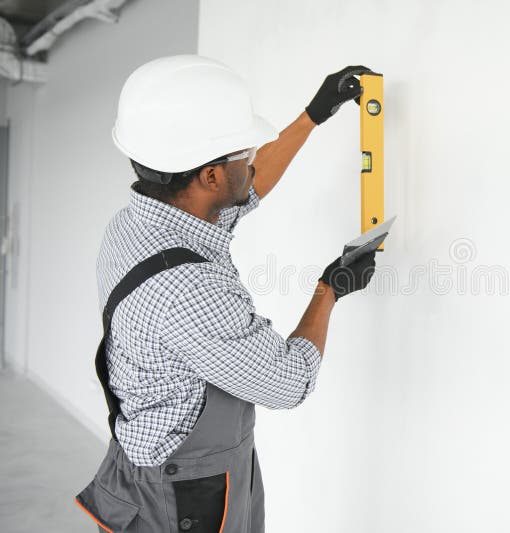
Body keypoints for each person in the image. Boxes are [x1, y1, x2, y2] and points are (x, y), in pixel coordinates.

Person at [74, 55, 377, 533]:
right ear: (210, 176)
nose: (254, 159)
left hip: (149, 470)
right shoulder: (189, 288)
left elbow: (244, 194)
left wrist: (314, 115)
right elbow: (289, 380)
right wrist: (329, 290)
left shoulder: (141, 221)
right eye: (245, 153)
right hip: (182, 502)